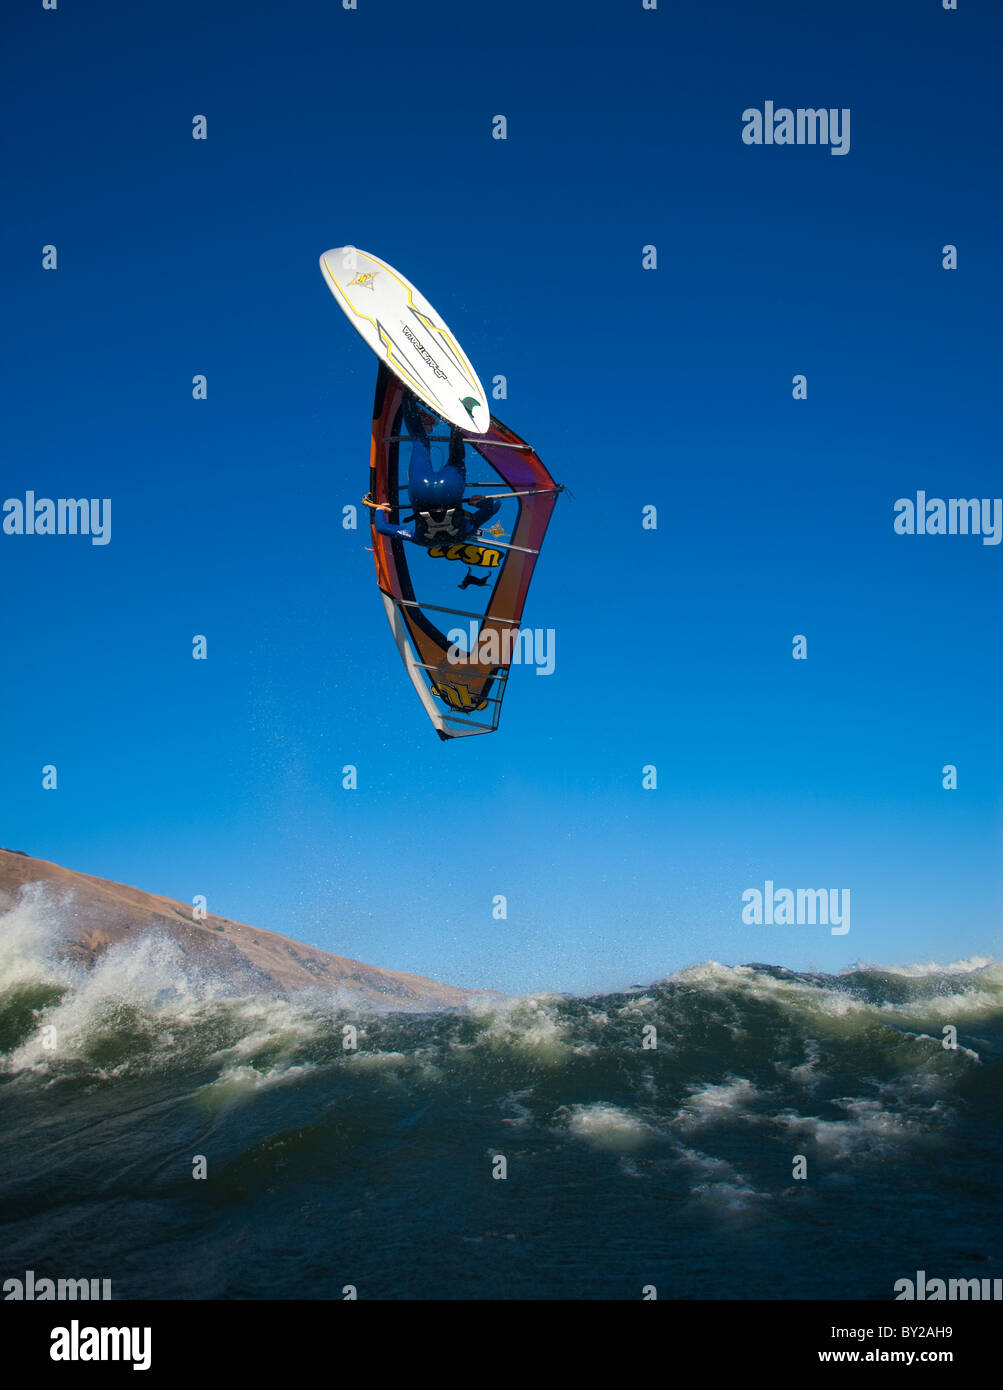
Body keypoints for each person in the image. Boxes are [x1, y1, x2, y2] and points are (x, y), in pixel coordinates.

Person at [367, 391, 500, 546]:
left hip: (450, 488)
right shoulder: (420, 540)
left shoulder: (465, 533)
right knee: (419, 440)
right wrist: (379, 510)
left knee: (457, 459)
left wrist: (479, 503)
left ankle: (457, 422)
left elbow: (495, 505)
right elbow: (382, 528)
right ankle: (407, 394)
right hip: (420, 490)